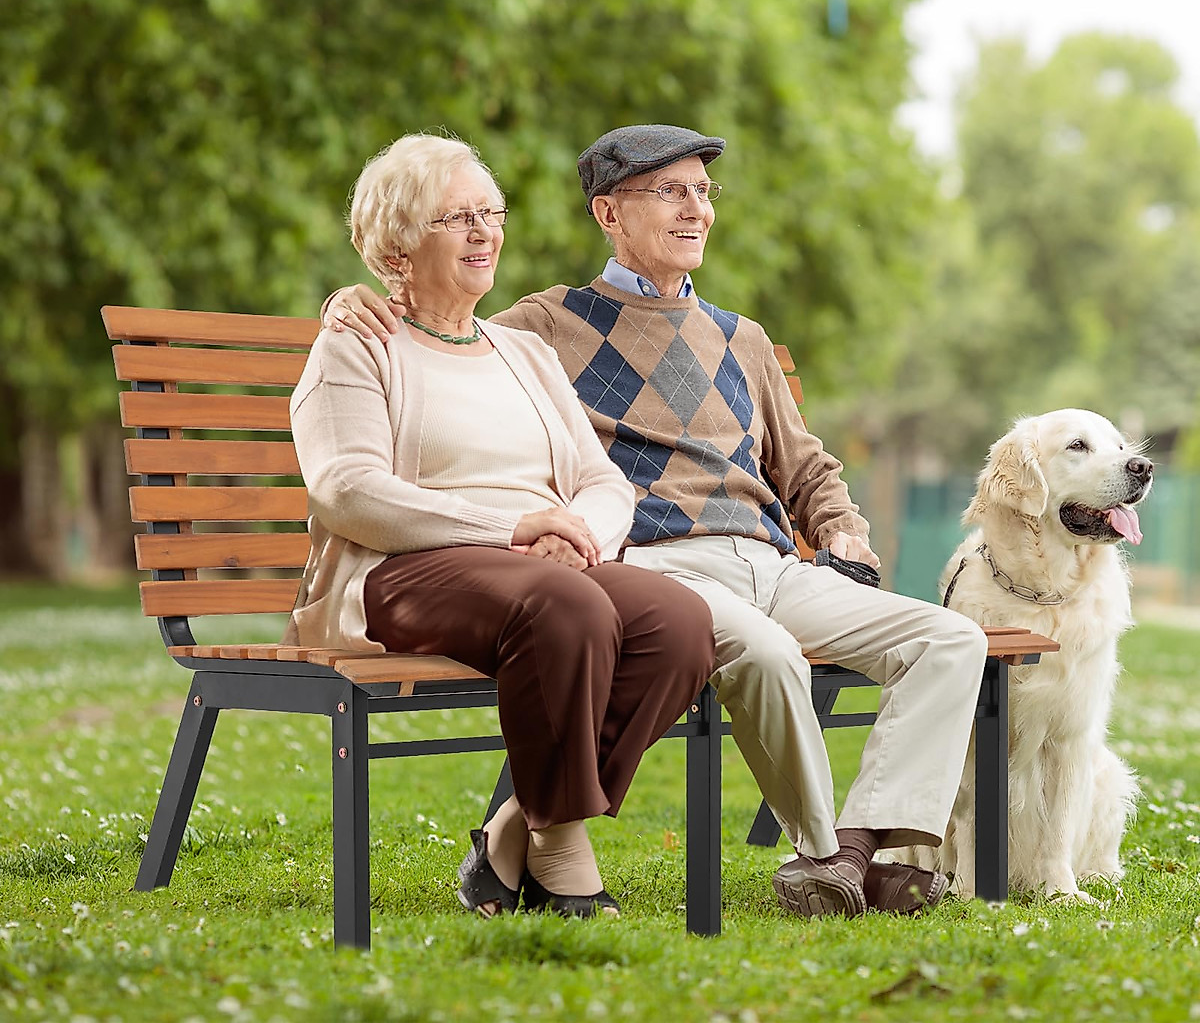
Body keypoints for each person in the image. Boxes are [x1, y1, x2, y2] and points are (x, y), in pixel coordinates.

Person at [322, 124, 989, 919]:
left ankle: (854, 848)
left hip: (770, 561)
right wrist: (350, 295)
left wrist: (843, 527)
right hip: (655, 559)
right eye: (671, 191)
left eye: (703, 192)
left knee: (953, 639)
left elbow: (806, 465)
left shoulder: (743, 339)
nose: (696, 211)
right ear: (609, 213)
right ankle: (824, 858)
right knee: (762, 654)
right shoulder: (548, 324)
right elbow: (437, 320)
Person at [289, 133, 715, 920]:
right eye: (459, 218)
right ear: (400, 239)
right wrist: (514, 528)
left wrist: (574, 531)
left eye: (492, 213)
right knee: (568, 606)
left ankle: (515, 826)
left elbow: (600, 479)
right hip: (405, 569)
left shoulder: (523, 352)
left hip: (542, 564)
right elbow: (347, 490)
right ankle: (563, 849)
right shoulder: (357, 344)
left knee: (680, 620)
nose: (486, 231)